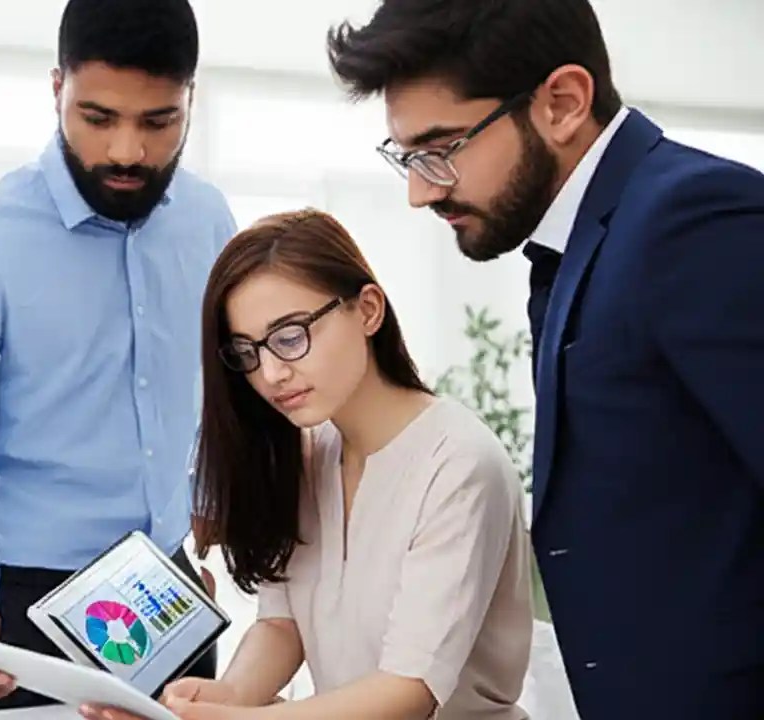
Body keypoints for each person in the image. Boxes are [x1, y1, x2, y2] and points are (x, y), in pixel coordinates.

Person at [326, 1, 764, 718]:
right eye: (406, 158)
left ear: (562, 102)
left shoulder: (692, 217)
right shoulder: (582, 242)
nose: (419, 190)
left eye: (441, 148)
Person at [0, 0, 236, 714]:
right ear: (56, 88)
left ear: (191, 99)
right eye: (98, 117)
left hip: (165, 598)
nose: (127, 151)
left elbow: (229, 389)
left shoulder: (209, 222)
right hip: (17, 612)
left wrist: (209, 506)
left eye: (159, 121)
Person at [83, 209, 532, 720]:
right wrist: (221, 699)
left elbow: (408, 692)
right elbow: (283, 625)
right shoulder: (309, 447)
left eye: (291, 336)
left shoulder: (457, 461)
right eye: (247, 352)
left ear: (367, 310)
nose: (271, 373)